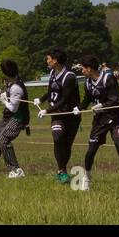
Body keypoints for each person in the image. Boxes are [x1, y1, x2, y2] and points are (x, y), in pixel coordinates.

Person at [78, 56, 119, 192]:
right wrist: (78, 108)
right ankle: (87, 179)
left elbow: (116, 99)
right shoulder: (87, 83)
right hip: (99, 121)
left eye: (83, 68)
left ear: (89, 68)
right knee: (91, 151)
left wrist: (102, 105)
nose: (82, 71)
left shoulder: (108, 78)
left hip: (115, 119)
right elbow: (88, 99)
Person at [36, 47, 80, 185]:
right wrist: (42, 100)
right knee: (57, 137)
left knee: (66, 145)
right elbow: (50, 92)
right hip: (57, 115)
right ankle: (61, 171)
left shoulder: (69, 77)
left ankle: (62, 170)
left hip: (70, 115)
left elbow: (65, 100)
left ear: (55, 60)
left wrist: (47, 110)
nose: (47, 61)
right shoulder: (52, 73)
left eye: (48, 59)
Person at [0, 59, 28, 178]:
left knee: (3, 139)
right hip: (7, 117)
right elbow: (8, 98)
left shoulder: (16, 87)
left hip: (17, 118)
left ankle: (16, 169)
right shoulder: (10, 83)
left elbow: (13, 108)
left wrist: (3, 100)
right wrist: (0, 97)